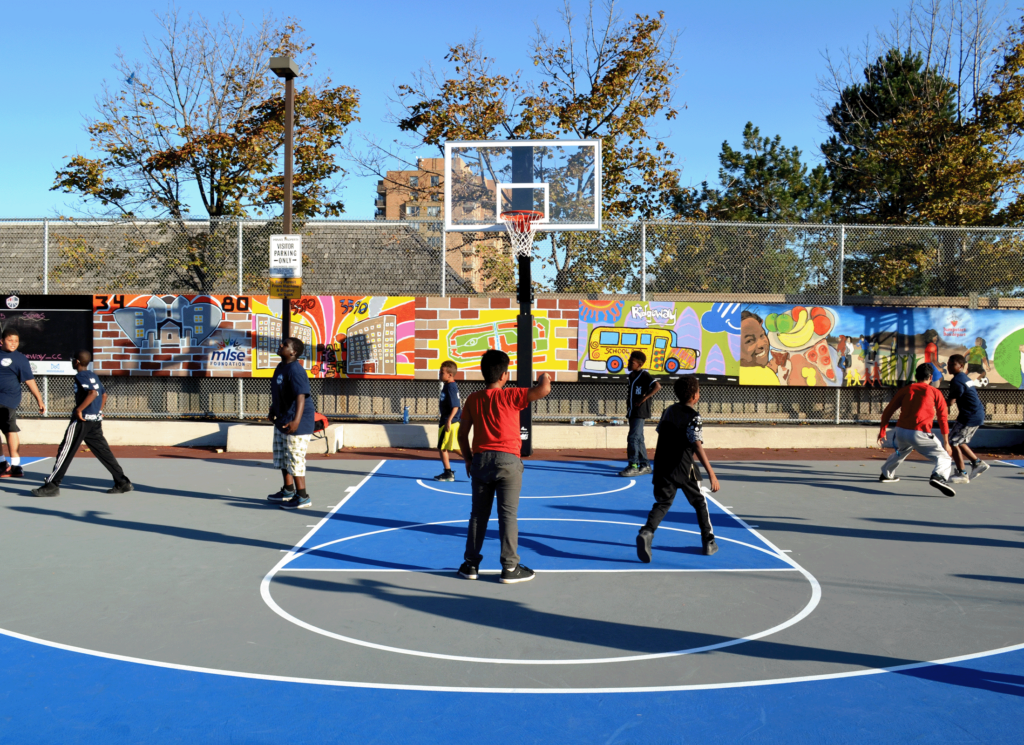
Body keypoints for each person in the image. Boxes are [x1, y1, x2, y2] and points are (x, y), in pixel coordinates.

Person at [456, 349, 552, 584]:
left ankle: (470, 565)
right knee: (507, 515)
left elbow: (462, 434)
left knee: (478, 515)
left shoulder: (473, 399)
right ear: (504, 376)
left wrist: (468, 459)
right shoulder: (511, 395)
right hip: (508, 460)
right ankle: (509, 567)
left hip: (480, 459)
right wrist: (545, 377)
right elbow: (544, 389)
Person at [636, 375, 719, 563]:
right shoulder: (694, 417)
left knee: (663, 503)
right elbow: (696, 445)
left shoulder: (668, 411)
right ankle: (708, 541)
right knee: (700, 503)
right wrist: (711, 474)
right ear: (695, 396)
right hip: (683, 467)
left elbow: (662, 433)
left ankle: (647, 531)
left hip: (663, 467)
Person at [30, 351, 132, 497]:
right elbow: (103, 394)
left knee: (65, 450)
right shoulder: (93, 375)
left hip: (82, 420)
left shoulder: (81, 375)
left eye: (72, 360)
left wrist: (79, 409)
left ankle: (52, 485)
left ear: (77, 361)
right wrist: (99, 410)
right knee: (103, 451)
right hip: (94, 420)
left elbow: (93, 393)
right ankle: (122, 482)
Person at [877, 363, 957, 497]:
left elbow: (888, 411)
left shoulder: (905, 390)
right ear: (931, 377)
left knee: (902, 451)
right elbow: (943, 418)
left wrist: (883, 431)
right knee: (944, 457)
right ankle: (938, 477)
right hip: (920, 432)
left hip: (901, 432)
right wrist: (946, 442)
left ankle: (886, 473)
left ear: (916, 376)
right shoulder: (935, 392)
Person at [266, 337, 316, 510]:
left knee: (295, 458)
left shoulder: (296, 370)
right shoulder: (281, 367)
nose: (281, 346)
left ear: (293, 352)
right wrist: (273, 409)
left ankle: (302, 497)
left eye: (285, 345)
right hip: (283, 419)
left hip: (297, 422)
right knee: (282, 457)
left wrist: (296, 421)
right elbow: (279, 392)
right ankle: (288, 491)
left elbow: (300, 396)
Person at [0, 329, 45, 478]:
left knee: (10, 430)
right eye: (10, 340)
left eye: (16, 341)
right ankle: (2, 463)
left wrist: (39, 399)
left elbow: (29, 380)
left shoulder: (20, 359)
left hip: (9, 400)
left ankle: (15, 465)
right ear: (1, 341)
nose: (13, 343)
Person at [945, 354, 989, 484]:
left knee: (953, 442)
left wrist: (933, 403)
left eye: (952, 364)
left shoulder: (957, 380)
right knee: (959, 440)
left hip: (970, 416)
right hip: (974, 414)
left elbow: (950, 402)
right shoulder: (964, 377)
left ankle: (962, 474)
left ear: (961, 366)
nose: (949, 366)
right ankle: (977, 463)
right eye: (948, 363)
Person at [620, 350, 661, 477]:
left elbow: (657, 386)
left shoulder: (644, 375)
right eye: (629, 361)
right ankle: (645, 465)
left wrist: (644, 398)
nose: (628, 363)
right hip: (632, 411)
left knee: (632, 438)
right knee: (639, 439)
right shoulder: (631, 376)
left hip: (640, 411)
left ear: (640, 364)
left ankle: (633, 465)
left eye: (631, 362)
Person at [738, 311, 786, 386]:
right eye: (749, 340)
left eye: (762, 335)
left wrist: (772, 367)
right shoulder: (767, 378)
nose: (761, 344)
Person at [433, 360, 461, 482]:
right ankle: (476, 461)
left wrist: (449, 420)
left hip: (448, 422)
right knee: (452, 447)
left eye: (442, 372)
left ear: (450, 374)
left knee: (442, 447)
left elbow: (456, 406)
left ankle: (448, 473)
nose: (440, 374)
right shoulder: (448, 386)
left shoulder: (451, 387)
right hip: (447, 421)